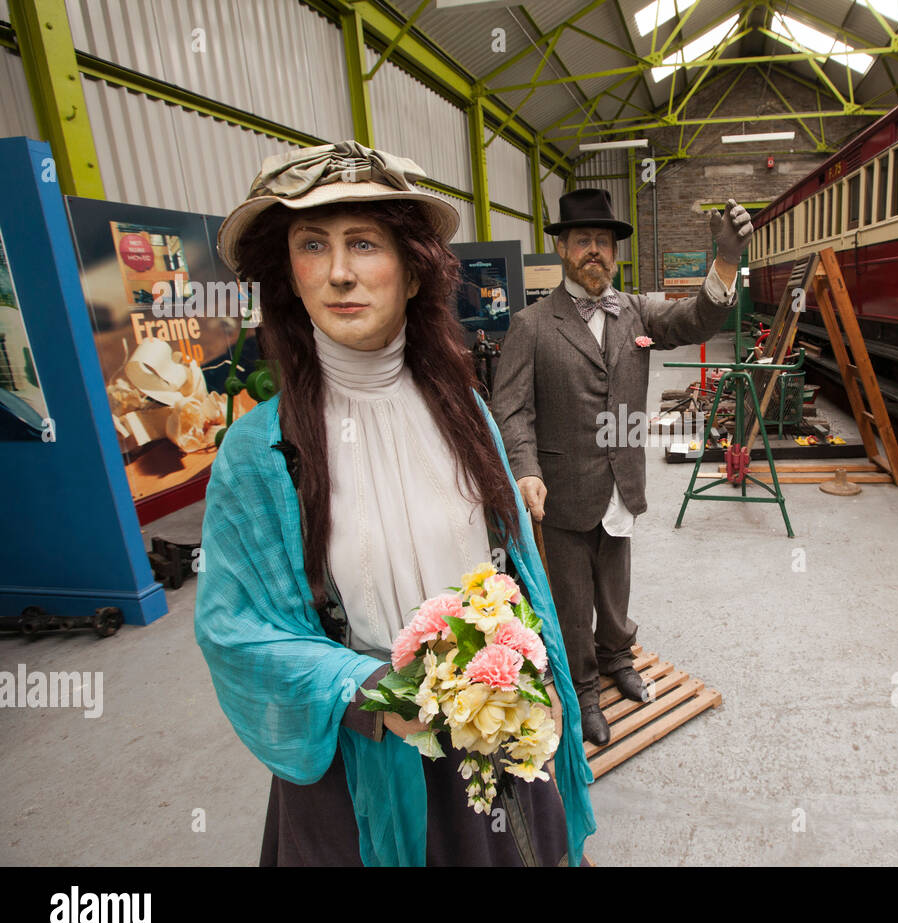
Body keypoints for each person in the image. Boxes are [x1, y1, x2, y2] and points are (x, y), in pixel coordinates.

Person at [194, 140, 594, 866]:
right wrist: (367, 688)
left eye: (363, 243)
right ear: (290, 273)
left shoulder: (466, 415)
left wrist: (538, 678)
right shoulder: (258, 453)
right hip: (364, 762)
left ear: (413, 273)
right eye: (313, 244)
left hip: (492, 742)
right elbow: (233, 630)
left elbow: (520, 574)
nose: (339, 271)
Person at [491, 188, 753, 745]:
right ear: (562, 247)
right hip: (561, 490)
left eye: (604, 242)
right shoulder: (531, 324)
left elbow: (696, 320)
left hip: (621, 483)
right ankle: (583, 686)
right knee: (571, 595)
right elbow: (511, 410)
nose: (595, 251)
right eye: (583, 240)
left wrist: (725, 262)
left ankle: (617, 658)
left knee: (615, 584)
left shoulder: (635, 310)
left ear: (615, 253)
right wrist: (526, 469)